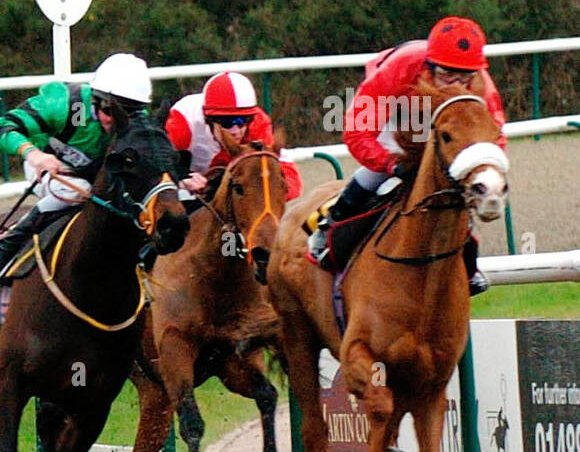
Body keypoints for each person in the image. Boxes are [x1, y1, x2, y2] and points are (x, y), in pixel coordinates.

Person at [306, 16, 507, 293]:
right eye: (447, 75)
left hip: (446, 122)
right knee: (378, 170)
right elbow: (357, 132)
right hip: (400, 110)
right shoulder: (401, 68)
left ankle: (467, 262)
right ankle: (329, 227)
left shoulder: (479, 81)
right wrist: (390, 164)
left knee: (455, 182)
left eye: (464, 77)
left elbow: (494, 136)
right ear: (429, 66)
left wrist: (476, 170)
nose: (457, 85)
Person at [0, 52, 154, 279]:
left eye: (127, 114)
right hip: (51, 167)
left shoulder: (139, 121)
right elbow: (3, 126)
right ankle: (6, 246)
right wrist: (34, 154)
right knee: (79, 190)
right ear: (96, 100)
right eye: (110, 112)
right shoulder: (66, 105)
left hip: (99, 175)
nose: (116, 122)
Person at [164, 71, 302, 210]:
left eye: (243, 121)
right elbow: (156, 167)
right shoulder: (183, 122)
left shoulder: (258, 123)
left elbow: (291, 184)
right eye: (226, 122)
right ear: (209, 120)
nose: (236, 130)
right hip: (185, 182)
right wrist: (180, 178)